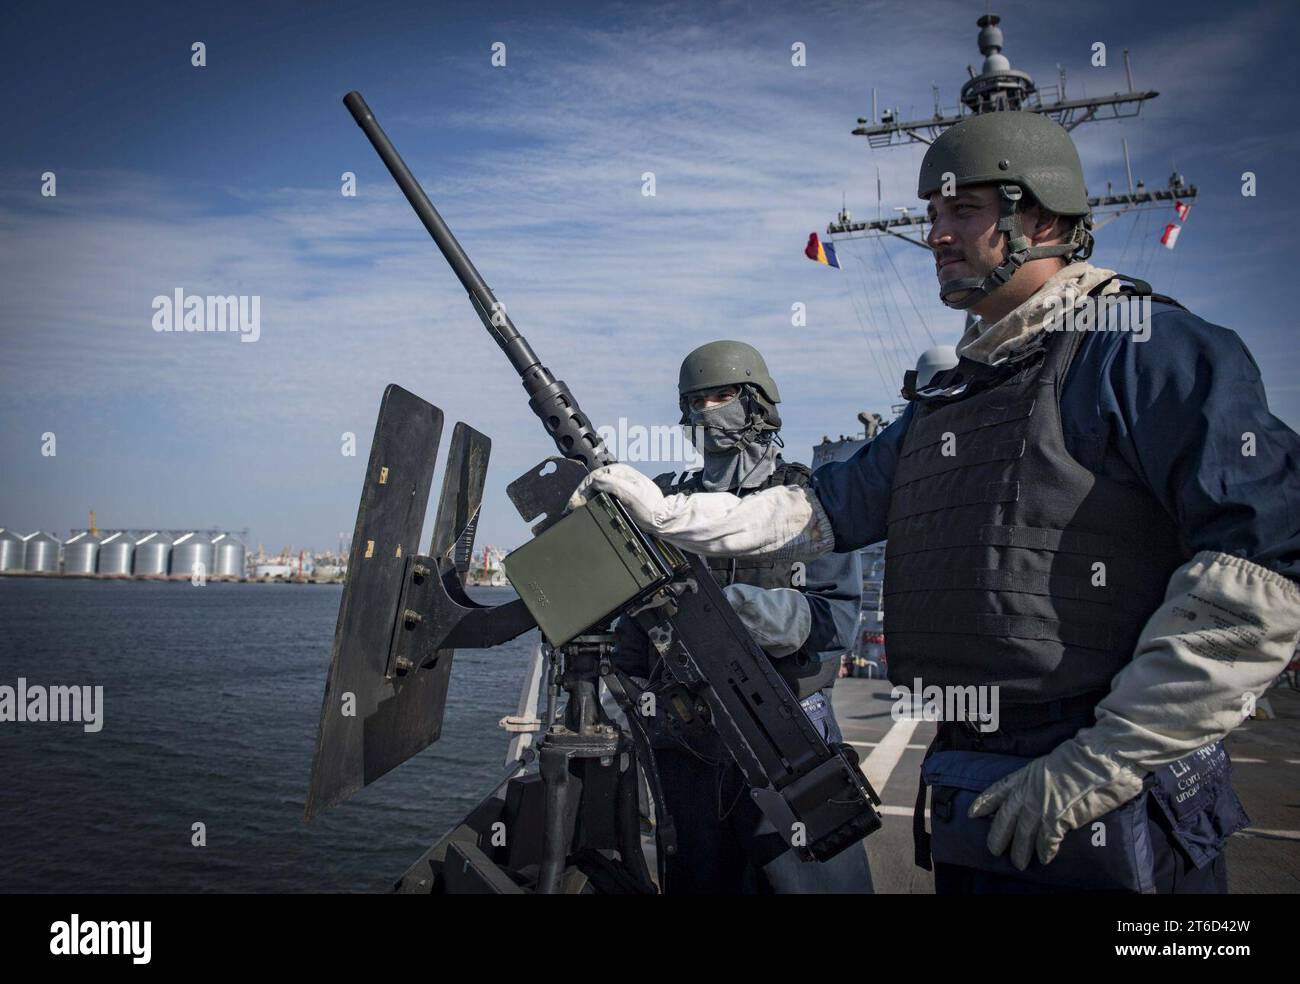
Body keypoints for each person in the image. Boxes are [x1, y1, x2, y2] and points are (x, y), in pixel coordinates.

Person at [572, 111, 1300, 894]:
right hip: (971, 774)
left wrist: (1105, 761)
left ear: (1041, 219)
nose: (937, 237)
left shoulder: (1145, 351)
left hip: (1115, 783)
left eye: (962, 212)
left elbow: (1264, 562)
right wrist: (660, 510)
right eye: (931, 216)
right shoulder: (947, 398)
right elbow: (815, 509)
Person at [612, 340, 873, 894]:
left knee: (813, 879)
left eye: (722, 396)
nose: (707, 411)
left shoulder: (804, 500)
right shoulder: (665, 502)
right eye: (695, 401)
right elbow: (630, 629)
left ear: (758, 403)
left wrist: (739, 614)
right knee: (697, 878)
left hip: (786, 727)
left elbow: (835, 618)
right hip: (686, 736)